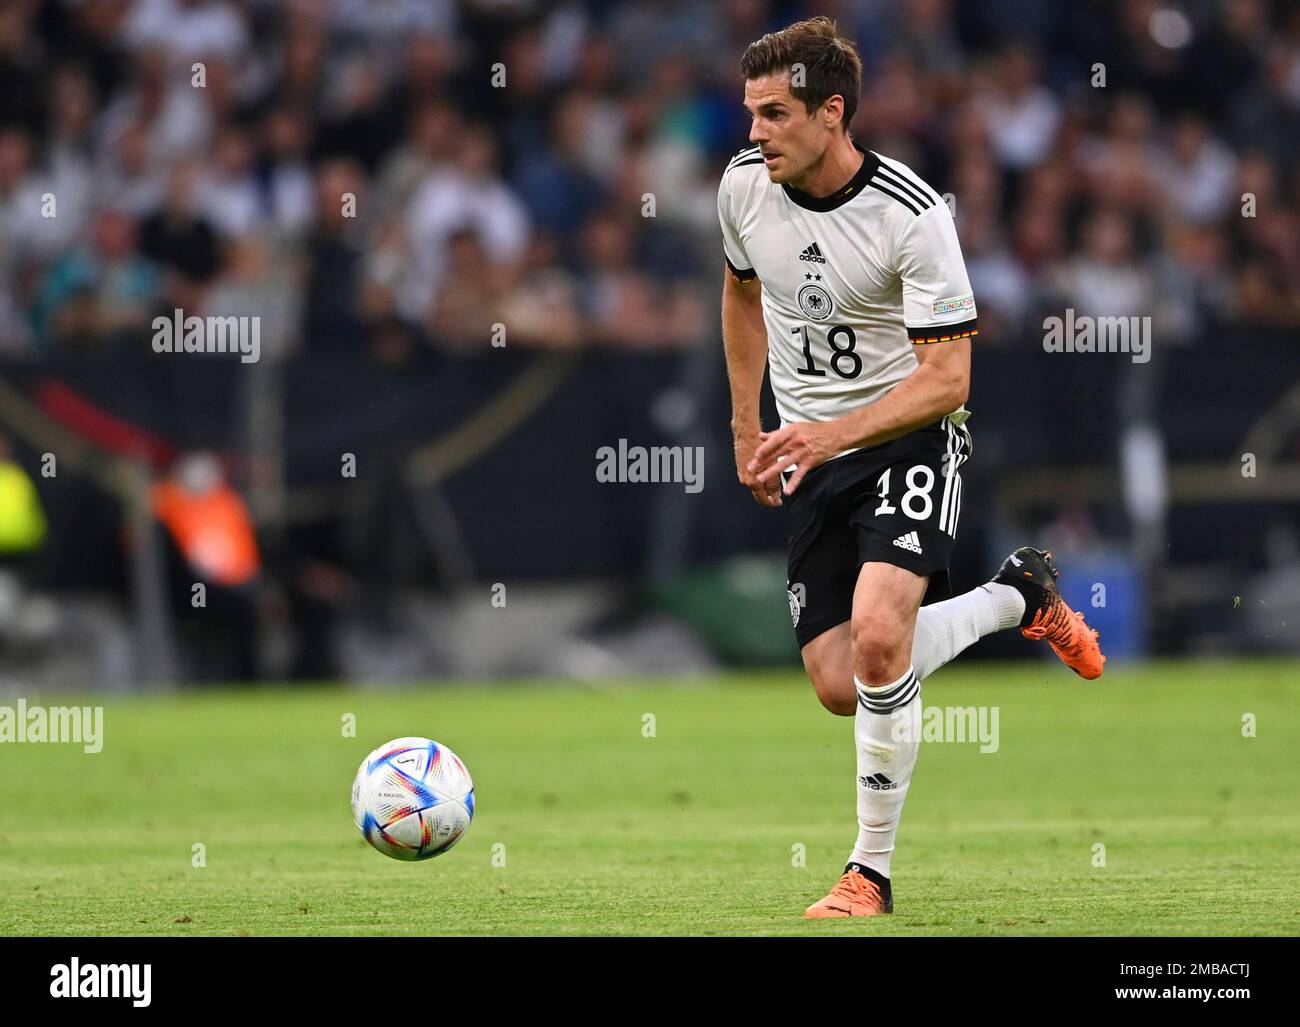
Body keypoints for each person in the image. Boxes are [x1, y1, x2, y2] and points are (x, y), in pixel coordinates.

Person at [717, 17, 1105, 919]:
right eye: (750, 113)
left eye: (774, 114)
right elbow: (739, 295)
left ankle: (870, 873)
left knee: (884, 638)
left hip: (911, 436)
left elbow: (948, 378)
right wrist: (748, 427)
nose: (754, 133)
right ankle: (1018, 597)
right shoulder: (743, 187)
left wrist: (825, 434)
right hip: (810, 451)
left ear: (832, 113)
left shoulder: (914, 213)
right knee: (840, 684)